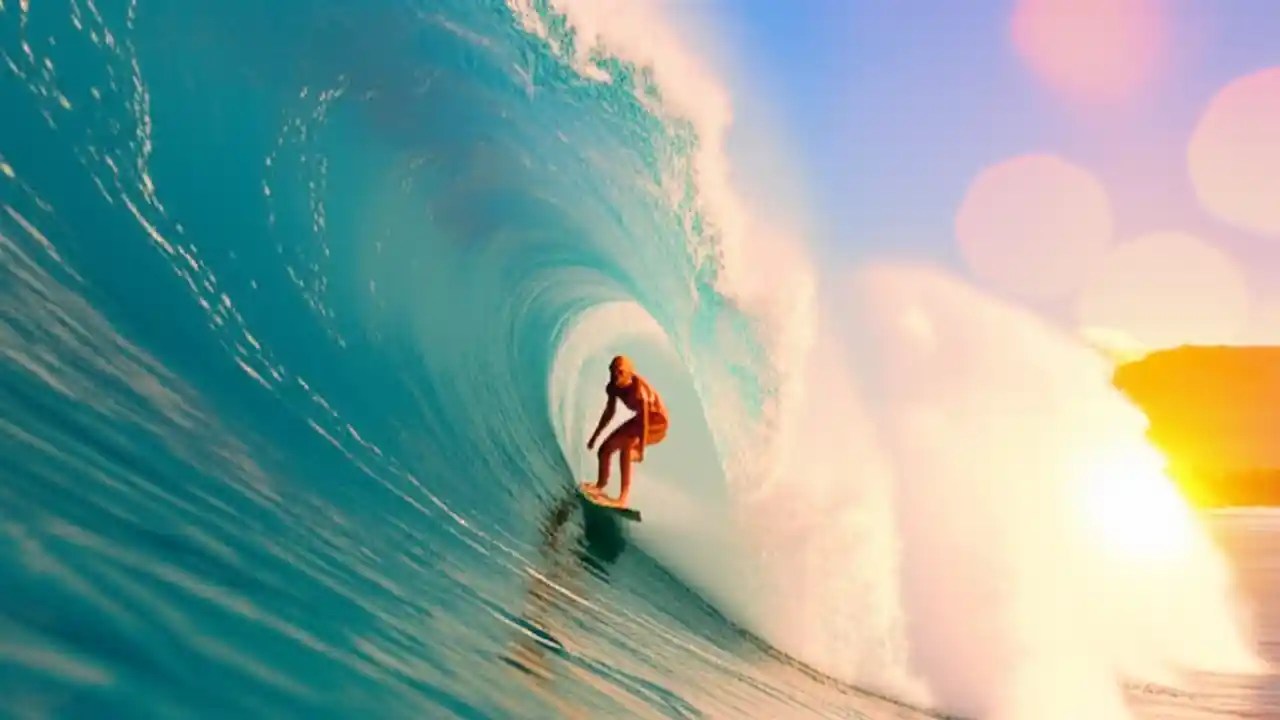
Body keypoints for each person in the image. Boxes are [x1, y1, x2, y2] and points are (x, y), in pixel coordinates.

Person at [582, 355, 668, 507]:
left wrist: (640, 451)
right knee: (604, 450)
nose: (616, 375)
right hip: (640, 420)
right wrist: (595, 437)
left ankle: (623, 499)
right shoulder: (612, 387)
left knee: (626, 450)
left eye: (620, 372)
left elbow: (644, 423)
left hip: (657, 423)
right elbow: (609, 413)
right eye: (613, 371)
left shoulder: (639, 391)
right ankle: (600, 485)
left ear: (630, 374)